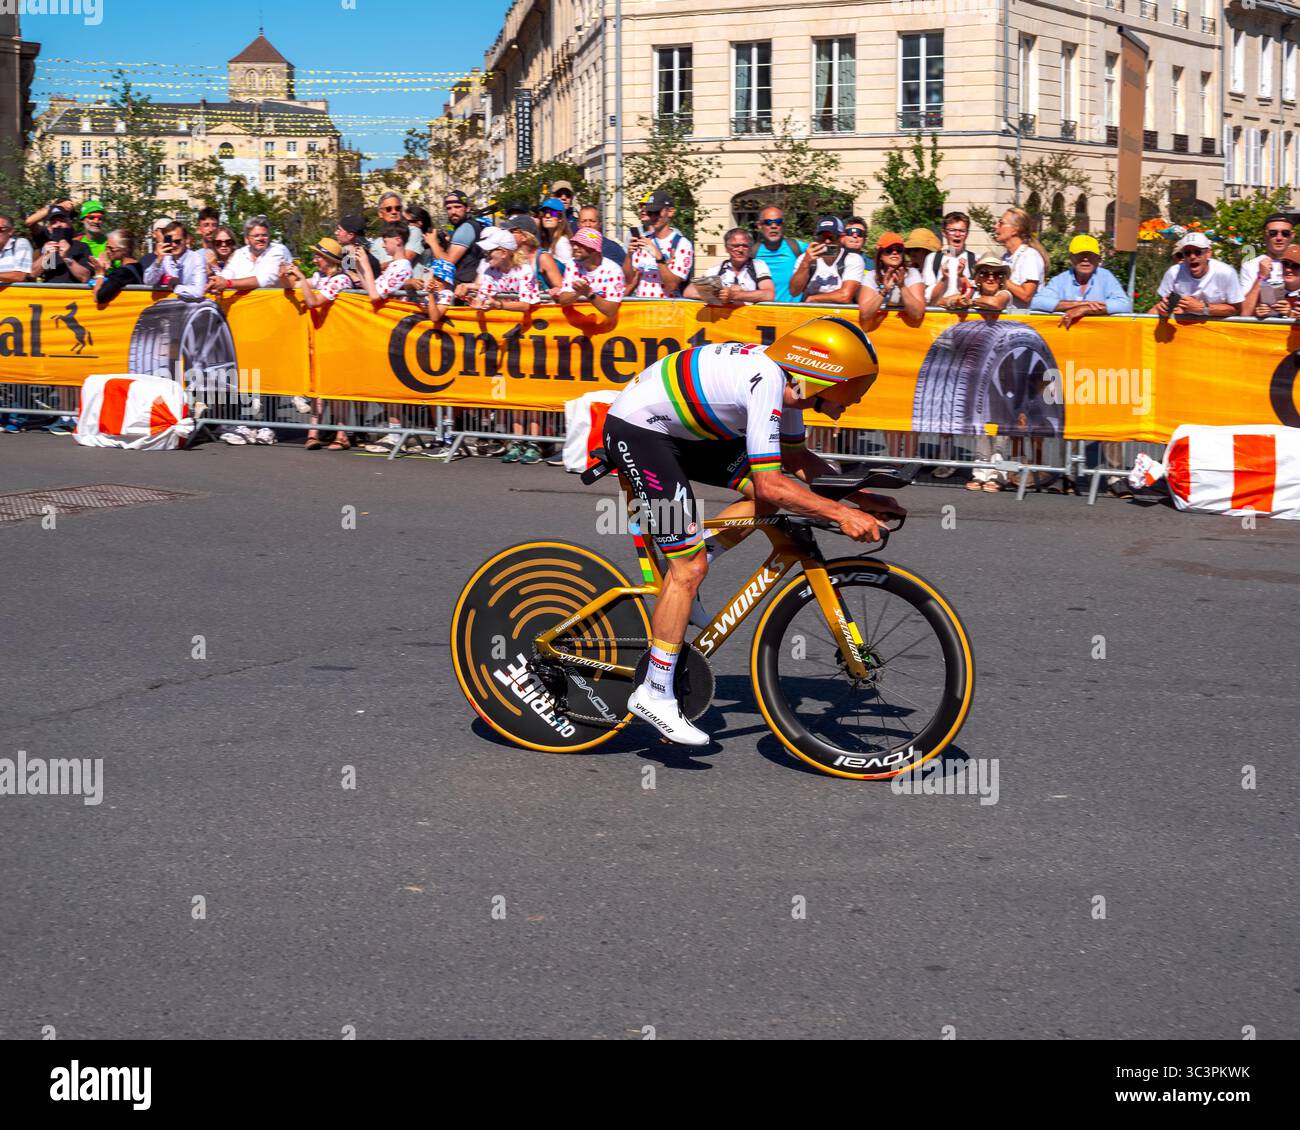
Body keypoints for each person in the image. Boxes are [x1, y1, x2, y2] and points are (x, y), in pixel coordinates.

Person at [603, 316, 904, 745]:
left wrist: (862, 497)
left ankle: (695, 556)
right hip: (638, 432)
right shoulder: (767, 380)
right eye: (851, 390)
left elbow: (797, 464)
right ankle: (654, 692)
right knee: (690, 567)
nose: (851, 403)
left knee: (767, 501)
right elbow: (771, 481)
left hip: (684, 433)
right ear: (825, 374)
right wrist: (840, 514)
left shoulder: (791, 389)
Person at [282, 236, 355, 451]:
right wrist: (285, 274)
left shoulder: (341, 280)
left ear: (329, 260)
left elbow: (313, 302)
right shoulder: (320, 277)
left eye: (318, 256)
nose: (314, 260)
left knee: (337, 390)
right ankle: (313, 433)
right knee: (317, 388)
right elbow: (295, 286)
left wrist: (302, 278)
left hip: (338, 339)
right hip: (319, 338)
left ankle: (342, 435)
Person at [1031, 234, 1132, 326]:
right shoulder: (1060, 280)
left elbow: (1124, 304)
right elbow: (1037, 302)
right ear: (1071, 257)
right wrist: (1079, 304)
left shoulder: (1106, 277)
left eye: (1090, 254)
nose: (1085, 259)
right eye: (1080, 254)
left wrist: (1085, 309)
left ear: (1098, 258)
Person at [1149, 232, 1243, 317]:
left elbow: (1237, 309)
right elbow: (1159, 307)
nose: (1192, 257)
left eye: (1198, 252)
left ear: (1208, 253)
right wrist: (1164, 310)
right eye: (1187, 253)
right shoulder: (1173, 273)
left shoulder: (1226, 273)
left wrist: (1203, 308)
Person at [623, 189, 693, 298]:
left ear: (670, 212)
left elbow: (672, 285)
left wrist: (658, 256)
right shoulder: (644, 241)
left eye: (657, 212)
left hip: (665, 309)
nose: (653, 217)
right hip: (642, 308)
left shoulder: (682, 244)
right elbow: (629, 280)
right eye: (650, 213)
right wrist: (629, 255)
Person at [684, 228, 774, 305]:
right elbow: (689, 292)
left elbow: (769, 294)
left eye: (745, 246)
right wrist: (719, 295)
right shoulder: (716, 270)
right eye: (735, 246)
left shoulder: (758, 266)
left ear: (750, 248)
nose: (740, 250)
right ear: (726, 248)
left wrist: (735, 295)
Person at [789, 216, 864, 305]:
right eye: (822, 237)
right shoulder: (805, 259)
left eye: (831, 237)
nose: (827, 241)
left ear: (841, 238)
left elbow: (845, 296)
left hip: (840, 314)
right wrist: (805, 263)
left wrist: (813, 299)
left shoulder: (852, 259)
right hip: (810, 314)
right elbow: (794, 291)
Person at [555, 227, 626, 316]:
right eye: (574, 243)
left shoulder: (613, 270)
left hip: (606, 326)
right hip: (579, 323)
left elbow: (611, 310)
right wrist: (577, 293)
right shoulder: (572, 264)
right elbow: (563, 300)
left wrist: (589, 293)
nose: (575, 247)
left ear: (595, 249)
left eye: (581, 244)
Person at [210, 215, 291, 293]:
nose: (260, 239)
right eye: (256, 236)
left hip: (273, 304)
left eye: (264, 235)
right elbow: (227, 274)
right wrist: (216, 283)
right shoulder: (239, 254)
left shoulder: (277, 250)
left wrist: (227, 283)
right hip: (243, 305)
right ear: (246, 239)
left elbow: (266, 280)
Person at [858, 231, 925, 320]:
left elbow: (917, 314)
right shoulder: (871, 276)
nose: (894, 253)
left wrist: (902, 286)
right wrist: (884, 291)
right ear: (880, 255)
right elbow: (865, 315)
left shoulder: (912, 274)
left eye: (899, 250)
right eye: (889, 250)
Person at [993, 207, 1046, 310]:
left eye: (1001, 223)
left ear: (1015, 229)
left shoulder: (1030, 256)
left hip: (1025, 322)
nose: (995, 226)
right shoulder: (1005, 258)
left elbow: (1026, 295)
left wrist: (1001, 278)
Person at [1243, 213, 1295, 317]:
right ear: (1265, 235)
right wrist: (1261, 277)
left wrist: (1291, 314)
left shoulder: (1298, 262)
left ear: (1292, 235)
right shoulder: (1250, 266)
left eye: (1285, 233)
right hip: (1265, 330)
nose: (1279, 238)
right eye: (1273, 233)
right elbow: (1244, 313)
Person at [143, 220, 208, 300]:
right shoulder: (165, 258)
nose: (173, 245)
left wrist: (176, 287)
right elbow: (149, 281)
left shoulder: (197, 259)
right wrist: (158, 260)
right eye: (170, 242)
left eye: (177, 241)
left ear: (186, 239)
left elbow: (199, 292)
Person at [752, 205, 805, 303]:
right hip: (764, 313)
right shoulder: (752, 253)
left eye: (778, 222)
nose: (773, 226)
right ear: (759, 225)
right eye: (768, 222)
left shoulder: (797, 247)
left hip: (794, 312)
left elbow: (824, 248)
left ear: (783, 224)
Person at [924, 211, 979, 305]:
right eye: (952, 230)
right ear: (944, 233)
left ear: (967, 234)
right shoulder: (933, 259)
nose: (957, 234)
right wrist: (943, 279)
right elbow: (929, 299)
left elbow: (977, 296)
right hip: (940, 316)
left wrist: (962, 276)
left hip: (967, 317)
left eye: (962, 231)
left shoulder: (975, 259)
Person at [437, 190, 486, 287]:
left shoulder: (466, 228)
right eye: (449, 208)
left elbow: (448, 262)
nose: (453, 212)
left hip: (465, 288)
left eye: (457, 207)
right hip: (463, 285)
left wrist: (432, 243)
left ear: (467, 208)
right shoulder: (464, 226)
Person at [34, 205, 92, 283]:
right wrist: (46, 255)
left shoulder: (81, 247)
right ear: (49, 228)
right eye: (53, 222)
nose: (58, 225)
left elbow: (85, 277)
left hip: (73, 293)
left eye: (62, 221)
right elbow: (33, 274)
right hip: (49, 293)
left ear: (69, 224)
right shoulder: (47, 247)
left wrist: (67, 257)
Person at [91, 229, 143, 306]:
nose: (107, 251)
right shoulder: (137, 266)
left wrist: (100, 273)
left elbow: (99, 297)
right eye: (106, 247)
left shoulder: (123, 273)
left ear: (124, 250)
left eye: (111, 248)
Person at [370, 192, 423, 265]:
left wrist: (382, 267)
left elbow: (405, 260)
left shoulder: (413, 231)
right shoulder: (378, 243)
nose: (394, 212)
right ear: (380, 213)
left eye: (398, 208)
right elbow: (372, 268)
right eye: (389, 209)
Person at [334, 214, 381, 285]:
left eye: (339, 230)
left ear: (350, 235)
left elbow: (373, 288)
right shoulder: (346, 254)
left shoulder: (370, 261)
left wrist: (351, 275)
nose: (336, 233)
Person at [537, 196, 574, 265]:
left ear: (560, 218)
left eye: (552, 213)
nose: (547, 216)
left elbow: (567, 271)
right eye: (544, 213)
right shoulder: (548, 240)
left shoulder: (562, 242)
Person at [0, 213, 34, 282]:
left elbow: (20, 276)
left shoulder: (20, 244)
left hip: (13, 292)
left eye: (0, 229)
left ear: (11, 231)